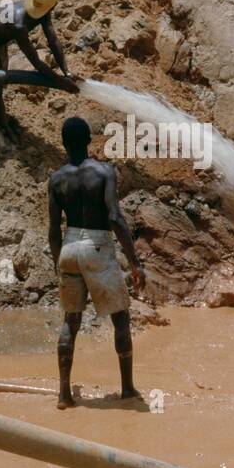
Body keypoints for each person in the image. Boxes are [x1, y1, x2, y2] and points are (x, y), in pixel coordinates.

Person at [48, 116, 145, 409]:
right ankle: (127, 389)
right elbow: (115, 217)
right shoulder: (104, 172)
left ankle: (64, 395)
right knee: (121, 318)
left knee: (70, 321)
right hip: (97, 245)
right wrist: (135, 261)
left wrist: (58, 264)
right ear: (89, 140)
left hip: (68, 246)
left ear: (64, 144)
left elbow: (53, 230)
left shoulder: (56, 179)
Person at [0, 0, 77, 131]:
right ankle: (4, 128)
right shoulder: (18, 24)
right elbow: (36, 62)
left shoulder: (43, 11)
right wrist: (61, 83)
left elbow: (53, 40)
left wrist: (67, 72)